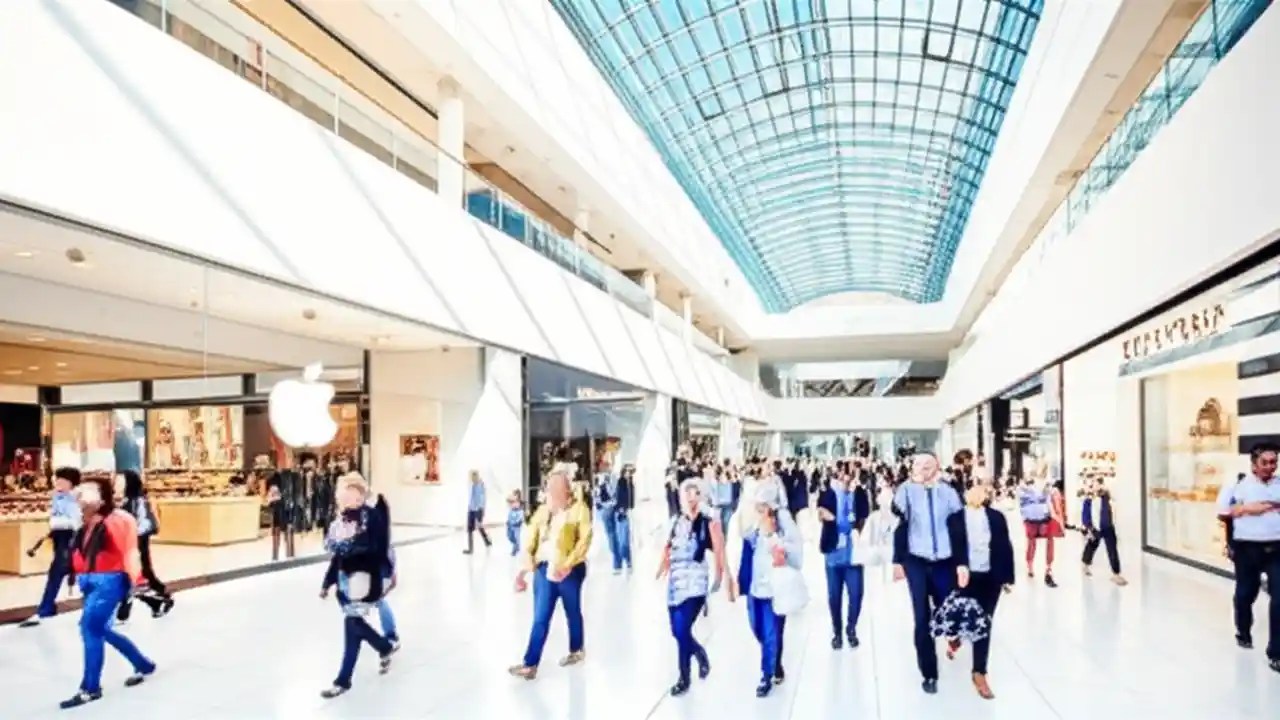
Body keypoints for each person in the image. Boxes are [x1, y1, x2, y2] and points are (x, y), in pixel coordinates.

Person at [58, 477, 157, 709]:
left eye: (86, 493)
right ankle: (142, 664)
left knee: (90, 628)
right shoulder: (86, 520)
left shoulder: (118, 520)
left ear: (101, 496)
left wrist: (137, 582)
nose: (80, 497)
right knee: (99, 628)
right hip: (90, 581)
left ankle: (90, 688)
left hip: (109, 582)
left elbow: (131, 552)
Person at [509, 471, 593, 679]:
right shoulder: (543, 512)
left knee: (572, 611)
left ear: (566, 489)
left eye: (556, 488)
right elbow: (530, 541)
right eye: (549, 488)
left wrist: (567, 565)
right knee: (540, 617)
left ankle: (576, 649)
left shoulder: (579, 510)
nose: (551, 492)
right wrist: (523, 571)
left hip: (569, 570)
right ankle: (530, 664)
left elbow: (584, 540)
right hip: (544, 569)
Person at [892, 453, 963, 695]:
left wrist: (962, 562)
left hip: (944, 560)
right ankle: (929, 673)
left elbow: (958, 525)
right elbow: (896, 523)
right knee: (922, 618)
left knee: (947, 609)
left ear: (937, 468)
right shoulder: (906, 491)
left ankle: (952, 634)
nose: (923, 469)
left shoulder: (948, 492)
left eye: (928, 465)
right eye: (918, 465)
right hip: (916, 561)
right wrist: (897, 561)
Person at [319, 477, 396, 698]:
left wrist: (349, 546)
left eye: (347, 492)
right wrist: (327, 582)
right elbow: (337, 556)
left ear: (359, 495)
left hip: (364, 579)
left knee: (352, 624)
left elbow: (377, 548)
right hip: (346, 581)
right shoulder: (341, 521)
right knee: (353, 626)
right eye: (342, 493)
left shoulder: (371, 517)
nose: (342, 497)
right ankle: (383, 647)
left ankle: (343, 680)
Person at [727, 483, 803, 698]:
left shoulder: (783, 521)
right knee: (757, 627)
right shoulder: (751, 521)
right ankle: (775, 662)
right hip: (755, 585)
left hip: (775, 587)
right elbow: (741, 543)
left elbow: (795, 548)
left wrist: (773, 538)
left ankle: (766, 674)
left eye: (762, 506)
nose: (758, 510)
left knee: (771, 631)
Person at [658, 478, 730, 696]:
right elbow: (667, 547)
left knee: (682, 629)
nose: (690, 498)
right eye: (686, 494)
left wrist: (722, 576)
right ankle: (699, 652)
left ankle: (684, 677)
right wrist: (661, 567)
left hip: (697, 583)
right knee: (676, 631)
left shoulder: (709, 521)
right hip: (675, 584)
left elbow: (719, 549)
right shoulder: (675, 522)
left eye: (695, 493)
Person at [943, 485, 1015, 700]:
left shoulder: (996, 517)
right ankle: (955, 638)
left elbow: (1004, 547)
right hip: (965, 577)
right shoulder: (955, 519)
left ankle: (979, 672)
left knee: (984, 623)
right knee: (961, 617)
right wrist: (957, 568)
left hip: (990, 577)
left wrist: (1006, 578)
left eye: (981, 490)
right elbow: (952, 549)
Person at [1215, 442, 1280, 673]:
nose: (1270, 467)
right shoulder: (1238, 484)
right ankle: (1243, 630)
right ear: (1254, 463)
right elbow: (1222, 511)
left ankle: (1276, 652)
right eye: (1265, 462)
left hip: (1277, 549)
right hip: (1247, 549)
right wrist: (1245, 509)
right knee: (1245, 594)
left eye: (1274, 462)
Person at [20, 467, 82, 628]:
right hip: (60, 539)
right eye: (57, 478)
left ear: (71, 483)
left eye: (62, 479)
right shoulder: (57, 497)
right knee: (58, 573)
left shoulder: (74, 499)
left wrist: (56, 523)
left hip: (70, 539)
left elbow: (75, 522)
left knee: (59, 573)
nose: (58, 482)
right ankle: (47, 607)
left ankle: (46, 608)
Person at [817, 470, 869, 649]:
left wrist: (859, 528)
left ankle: (851, 628)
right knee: (834, 595)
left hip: (854, 551)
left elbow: (866, 516)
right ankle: (837, 631)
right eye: (841, 477)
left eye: (849, 477)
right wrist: (824, 515)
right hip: (833, 550)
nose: (845, 481)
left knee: (856, 594)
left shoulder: (860, 494)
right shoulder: (828, 494)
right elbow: (820, 512)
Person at [115, 470, 173, 622]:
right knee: (137, 573)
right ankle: (156, 598)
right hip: (133, 540)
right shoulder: (129, 500)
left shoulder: (137, 501)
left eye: (120, 481)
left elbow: (140, 522)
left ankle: (157, 597)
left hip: (137, 540)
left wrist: (132, 535)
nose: (117, 484)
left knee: (135, 573)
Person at [1081, 476, 1127, 586]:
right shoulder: (1088, 500)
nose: (1095, 486)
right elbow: (1085, 515)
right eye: (1093, 484)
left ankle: (1116, 573)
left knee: (1112, 549)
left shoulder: (1106, 496)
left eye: (1097, 483)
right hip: (1095, 528)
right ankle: (1085, 563)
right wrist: (1088, 527)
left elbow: (1113, 504)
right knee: (1092, 545)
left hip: (1107, 526)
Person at [1017, 475, 1058, 587]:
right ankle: (1031, 565)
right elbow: (1036, 498)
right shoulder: (1023, 491)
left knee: (1047, 540)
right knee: (1032, 542)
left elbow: (1046, 500)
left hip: (1041, 518)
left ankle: (1047, 566)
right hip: (1031, 520)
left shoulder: (1040, 489)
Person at [464, 470, 491, 554]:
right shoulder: (471, 485)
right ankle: (470, 549)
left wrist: (482, 509)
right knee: (469, 529)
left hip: (478, 509)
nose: (472, 478)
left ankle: (486, 540)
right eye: (471, 476)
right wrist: (469, 507)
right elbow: (470, 497)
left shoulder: (481, 485)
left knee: (479, 526)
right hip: (471, 509)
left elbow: (483, 498)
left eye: (474, 476)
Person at [506, 489, 525, 557]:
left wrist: (519, 521)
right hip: (511, 522)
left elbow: (521, 514)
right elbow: (508, 502)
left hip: (517, 524)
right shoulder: (512, 501)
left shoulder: (520, 504)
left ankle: (515, 550)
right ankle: (517, 546)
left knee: (516, 537)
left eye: (516, 494)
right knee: (509, 536)